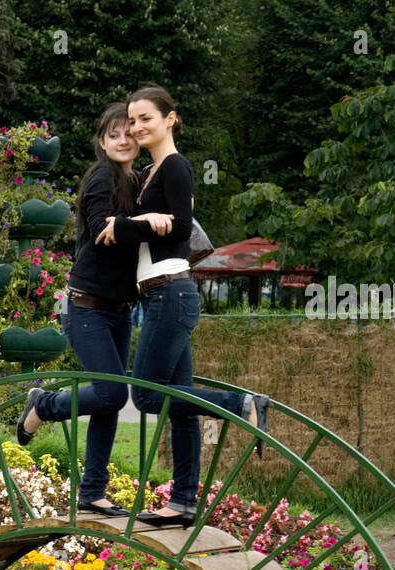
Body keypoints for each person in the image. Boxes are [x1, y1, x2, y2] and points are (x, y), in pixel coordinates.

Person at [92, 84, 270, 528]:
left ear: (170, 119)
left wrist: (124, 225)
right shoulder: (150, 173)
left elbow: (178, 231)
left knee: (150, 395)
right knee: (180, 404)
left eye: (145, 119)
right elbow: (155, 224)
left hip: (169, 292)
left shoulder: (175, 166)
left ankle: (242, 403)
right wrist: (133, 221)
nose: (136, 127)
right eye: (131, 120)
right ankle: (183, 503)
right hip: (160, 293)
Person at [16, 102, 174, 517]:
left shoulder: (135, 178)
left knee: (107, 400)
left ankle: (92, 492)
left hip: (119, 307)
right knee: (111, 392)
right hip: (86, 305)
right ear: (102, 142)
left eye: (129, 134)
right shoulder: (102, 175)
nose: (123, 140)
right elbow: (107, 229)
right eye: (114, 134)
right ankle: (43, 405)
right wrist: (150, 218)